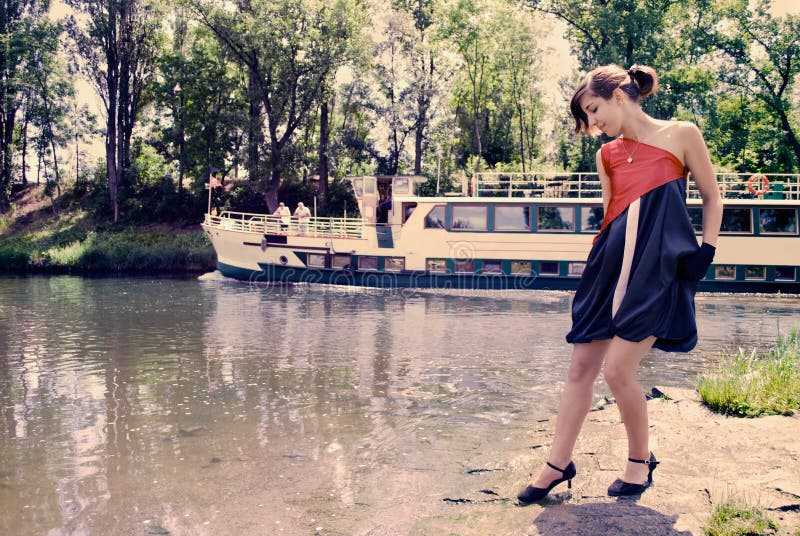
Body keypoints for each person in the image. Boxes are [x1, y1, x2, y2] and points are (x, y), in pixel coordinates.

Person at [517, 64, 723, 503]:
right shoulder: (606, 155)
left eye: (593, 111)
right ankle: (557, 463)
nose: (593, 125)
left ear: (618, 95)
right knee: (580, 369)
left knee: (617, 371)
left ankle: (639, 460)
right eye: (586, 119)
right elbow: (613, 212)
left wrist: (707, 249)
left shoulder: (682, 133)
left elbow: (712, 196)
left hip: (655, 270)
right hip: (609, 267)